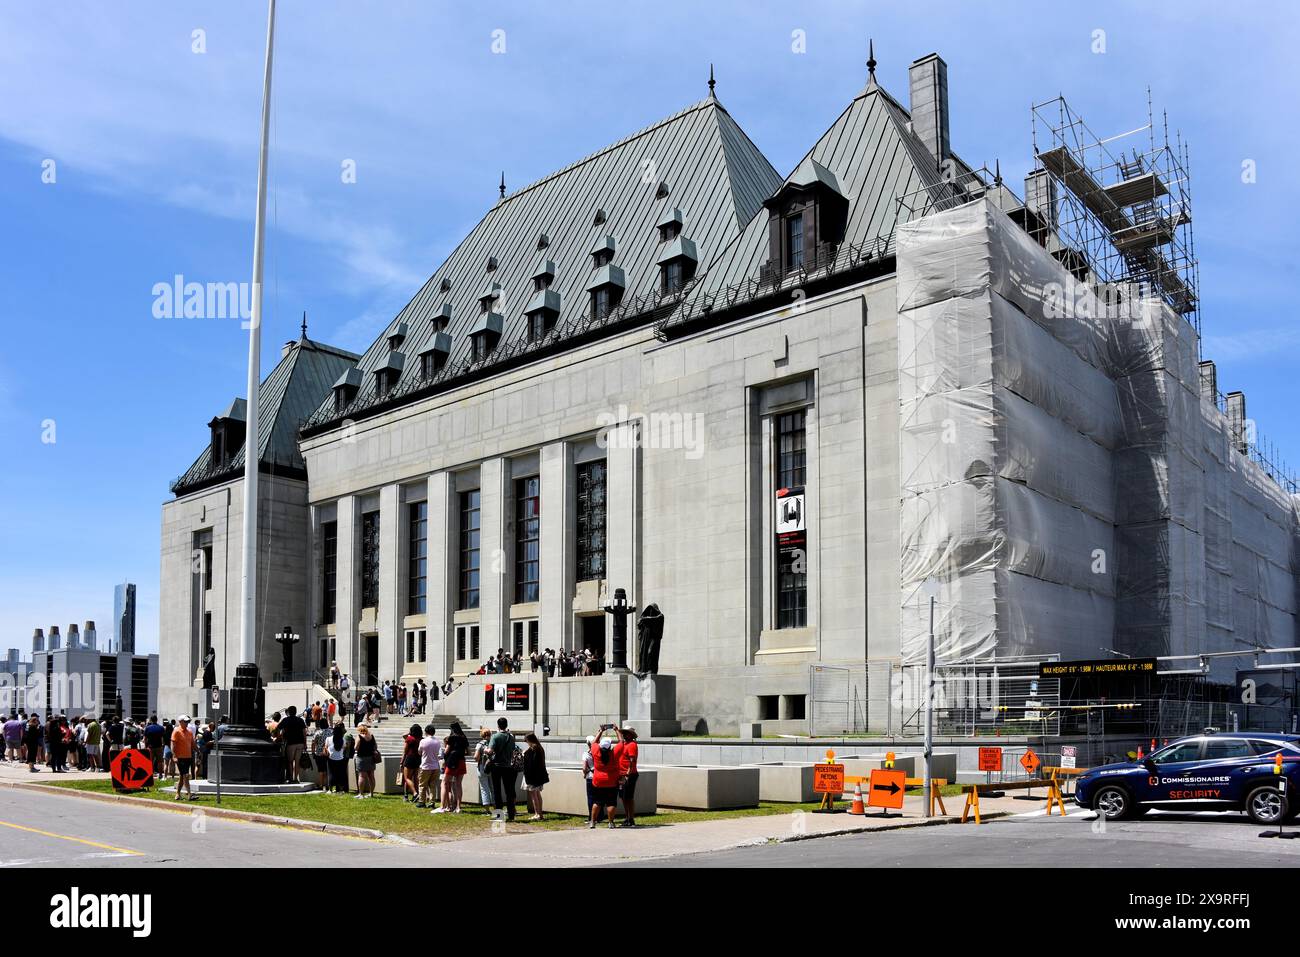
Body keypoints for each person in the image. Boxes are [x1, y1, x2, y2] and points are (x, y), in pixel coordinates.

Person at [588, 725, 624, 829]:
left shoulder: (596, 751)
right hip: (612, 781)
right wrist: (616, 730)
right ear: (609, 747)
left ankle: (593, 822)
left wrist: (601, 731)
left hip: (598, 781)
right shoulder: (614, 753)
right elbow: (621, 742)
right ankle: (611, 823)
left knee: (597, 802)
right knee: (611, 803)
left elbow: (594, 742)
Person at [487, 717, 519, 822]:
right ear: (506, 725)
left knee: (497, 791)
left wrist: (485, 750)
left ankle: (499, 816)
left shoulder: (495, 737)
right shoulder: (511, 737)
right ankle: (511, 815)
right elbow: (513, 750)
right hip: (508, 766)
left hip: (496, 766)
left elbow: (490, 751)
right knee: (509, 791)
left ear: (498, 725)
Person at [440, 722, 467, 813]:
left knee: (445, 782)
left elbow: (446, 751)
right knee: (458, 784)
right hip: (461, 761)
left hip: (452, 761)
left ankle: (445, 806)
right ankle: (458, 807)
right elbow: (468, 752)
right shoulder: (464, 737)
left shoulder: (451, 738)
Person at [277, 705, 307, 784]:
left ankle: (291, 778)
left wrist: (280, 736)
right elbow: (304, 732)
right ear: (296, 711)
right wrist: (305, 743)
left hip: (291, 742)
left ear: (289, 712)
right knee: (297, 761)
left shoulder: (286, 720)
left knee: (290, 761)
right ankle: (296, 779)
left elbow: (278, 728)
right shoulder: (300, 720)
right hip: (300, 742)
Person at [522, 733, 548, 821]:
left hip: (533, 776)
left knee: (534, 795)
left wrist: (524, 755)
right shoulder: (539, 747)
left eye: (526, 741)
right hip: (539, 775)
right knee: (537, 794)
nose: (527, 743)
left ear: (529, 740)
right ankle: (540, 814)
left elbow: (530, 763)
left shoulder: (534, 748)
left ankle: (537, 814)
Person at [618, 726, 640, 827]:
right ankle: (627, 817)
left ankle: (631, 819)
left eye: (626, 733)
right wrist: (615, 730)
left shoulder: (632, 745)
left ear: (631, 735)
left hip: (629, 775)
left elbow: (632, 760)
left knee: (629, 798)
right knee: (623, 797)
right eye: (623, 733)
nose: (624, 735)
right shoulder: (624, 744)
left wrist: (627, 773)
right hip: (622, 775)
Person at [417, 724, 442, 809]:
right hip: (435, 766)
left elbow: (419, 752)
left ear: (426, 732)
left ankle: (422, 801)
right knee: (432, 785)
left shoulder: (423, 741)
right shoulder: (437, 741)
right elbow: (440, 754)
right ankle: (432, 802)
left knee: (422, 785)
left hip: (425, 765)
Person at [172, 715, 197, 801]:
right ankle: (190, 794)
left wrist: (198, 751)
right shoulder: (176, 731)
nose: (187, 723)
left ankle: (178, 794)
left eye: (188, 722)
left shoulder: (189, 732)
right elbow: (173, 745)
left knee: (182, 777)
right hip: (180, 758)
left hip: (188, 757)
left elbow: (193, 744)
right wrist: (174, 756)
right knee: (186, 775)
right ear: (180, 722)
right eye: (185, 721)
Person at [353, 724, 379, 799]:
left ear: (360, 730)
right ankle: (371, 794)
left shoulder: (359, 736)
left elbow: (356, 748)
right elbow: (376, 747)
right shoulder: (371, 736)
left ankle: (361, 794)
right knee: (371, 776)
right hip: (371, 758)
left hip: (362, 758)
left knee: (361, 776)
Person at [326, 720, 352, 793]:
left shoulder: (346, 735)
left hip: (342, 757)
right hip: (341, 757)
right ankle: (339, 788)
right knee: (340, 773)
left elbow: (346, 747)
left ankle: (342, 788)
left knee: (339, 773)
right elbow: (345, 747)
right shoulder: (342, 737)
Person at [473, 728, 495, 808]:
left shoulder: (480, 744)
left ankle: (487, 808)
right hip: (493, 767)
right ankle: (495, 806)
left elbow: (476, 757)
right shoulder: (493, 743)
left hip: (482, 767)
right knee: (493, 788)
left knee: (484, 788)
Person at [401, 723, 422, 803]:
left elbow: (405, 752)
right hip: (418, 759)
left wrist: (401, 762)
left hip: (410, 758)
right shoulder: (421, 739)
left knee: (407, 778)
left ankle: (415, 794)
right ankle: (414, 795)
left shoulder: (409, 738)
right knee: (415, 778)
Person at [310, 719, 331, 789]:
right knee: (327, 770)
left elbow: (313, 743)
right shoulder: (330, 732)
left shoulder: (317, 733)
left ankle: (321, 785)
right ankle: (327, 785)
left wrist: (313, 752)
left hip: (319, 753)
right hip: (328, 753)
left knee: (321, 770)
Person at [581, 734, 596, 813]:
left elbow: (584, 768)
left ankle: (591, 816)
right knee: (598, 798)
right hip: (597, 776)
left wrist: (584, 773)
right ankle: (599, 816)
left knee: (590, 797)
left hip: (590, 777)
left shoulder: (586, 754)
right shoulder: (598, 752)